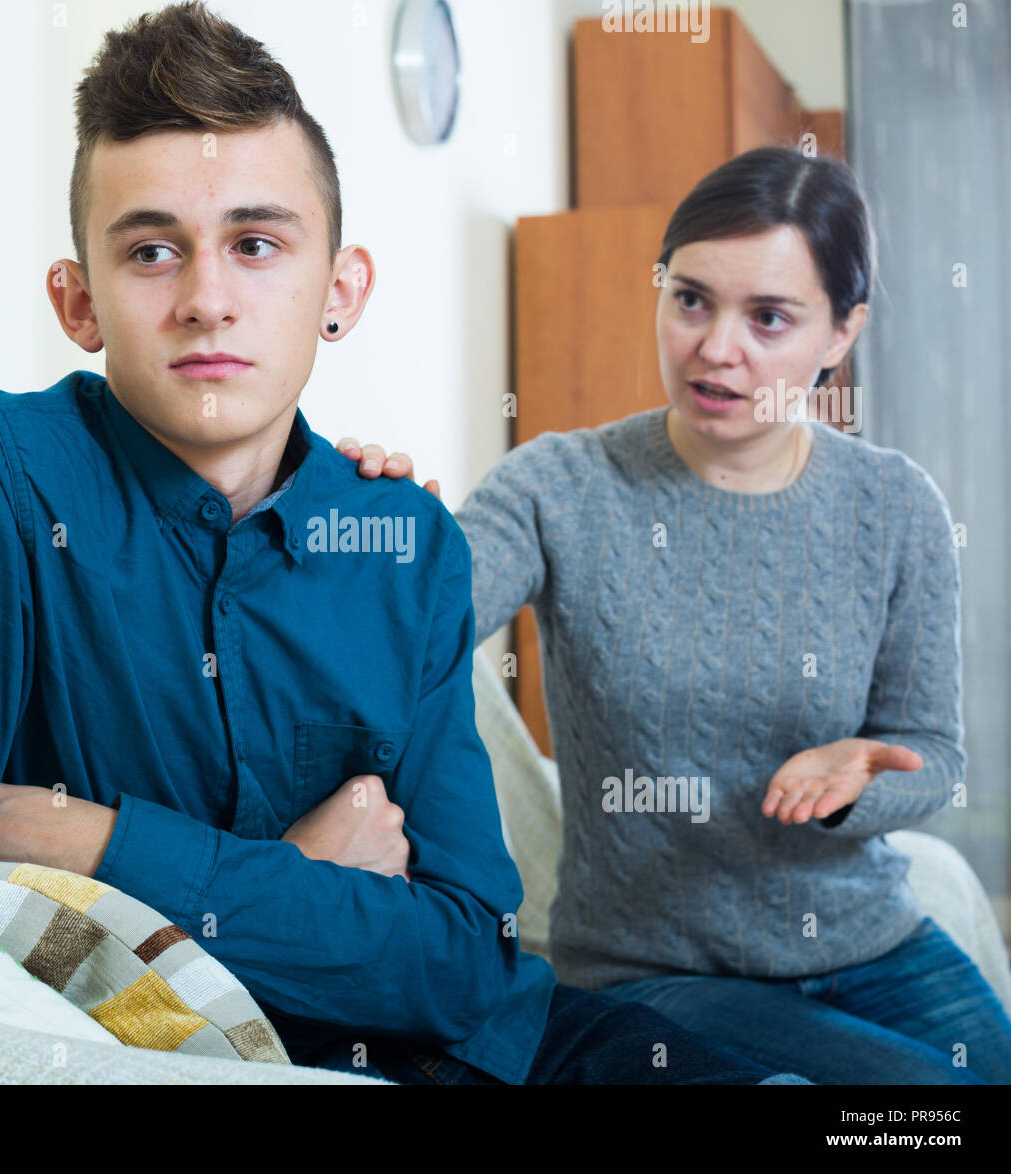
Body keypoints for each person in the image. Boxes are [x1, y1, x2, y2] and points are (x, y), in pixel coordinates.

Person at [0, 2, 804, 1085]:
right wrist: (291, 876)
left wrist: (90, 840)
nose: (208, 300)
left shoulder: (404, 540)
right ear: (79, 301)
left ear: (339, 292)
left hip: (502, 1044)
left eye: (256, 245)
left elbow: (459, 962)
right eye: (152, 251)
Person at [339, 145, 1011, 1084]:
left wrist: (859, 786)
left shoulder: (898, 506)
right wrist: (368, 524)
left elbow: (934, 757)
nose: (715, 347)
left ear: (841, 333)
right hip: (654, 972)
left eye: (769, 317)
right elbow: (413, 624)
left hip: (871, 941)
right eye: (691, 299)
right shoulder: (560, 486)